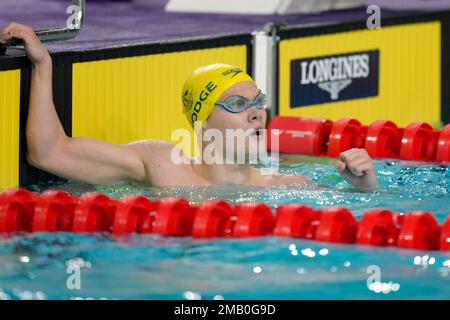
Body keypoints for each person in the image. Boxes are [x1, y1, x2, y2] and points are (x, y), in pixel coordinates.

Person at [1, 22, 379, 189]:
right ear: (202, 123)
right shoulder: (159, 164)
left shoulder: (286, 184)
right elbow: (48, 152)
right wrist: (42, 64)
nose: (257, 112)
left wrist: (366, 187)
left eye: (259, 102)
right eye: (236, 103)